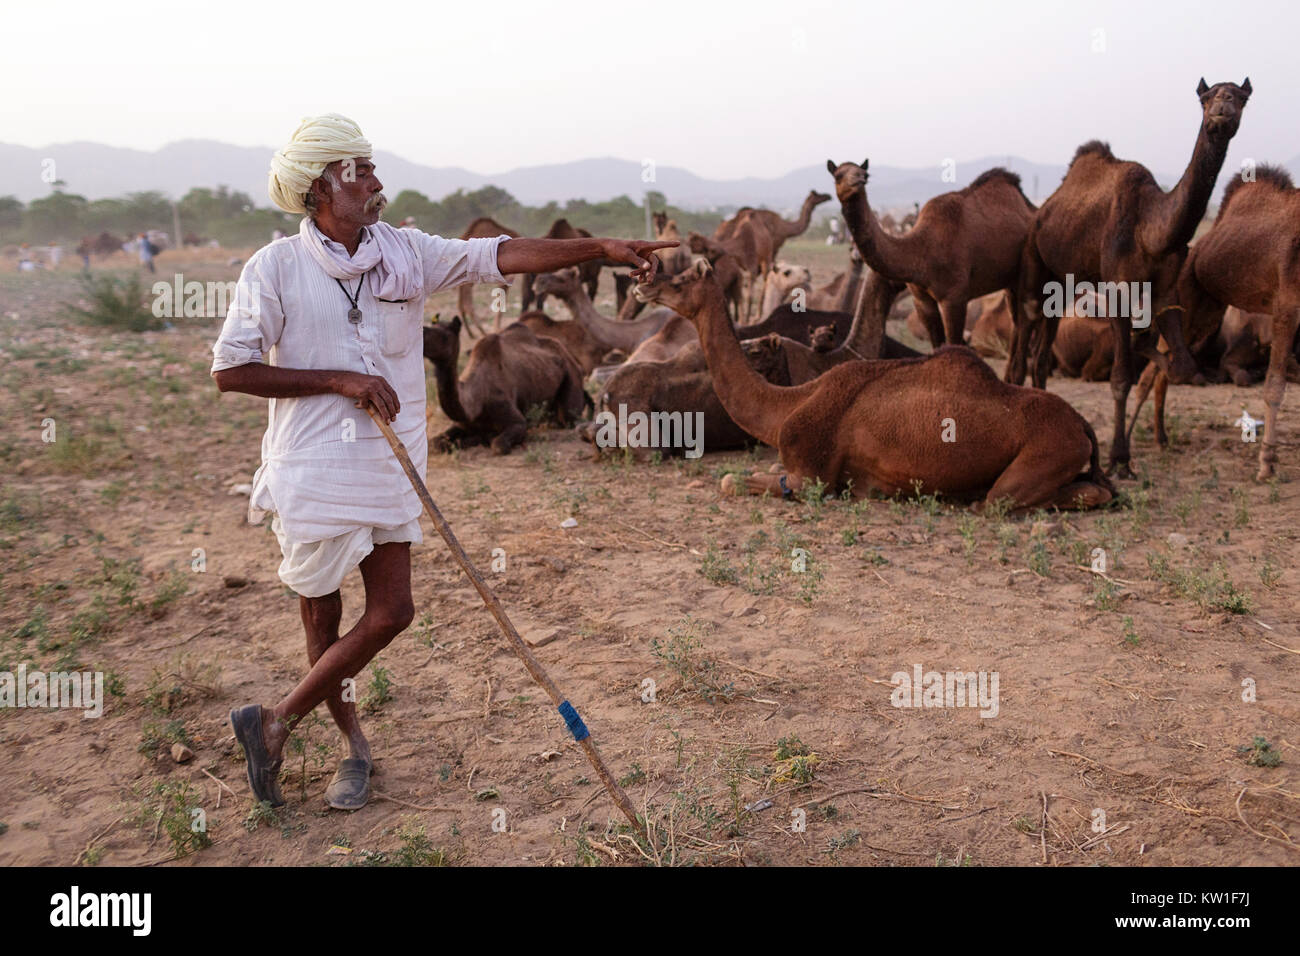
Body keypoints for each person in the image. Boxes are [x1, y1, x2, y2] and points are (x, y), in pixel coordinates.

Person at [210, 113, 675, 811]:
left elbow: (505, 255)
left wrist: (603, 246)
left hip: (390, 467)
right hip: (312, 471)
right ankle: (350, 749)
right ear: (318, 188)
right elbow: (231, 370)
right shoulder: (273, 268)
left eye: (371, 167)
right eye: (356, 172)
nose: (374, 182)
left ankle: (275, 722)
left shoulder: (405, 253)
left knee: (393, 610)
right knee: (322, 623)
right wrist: (338, 378)